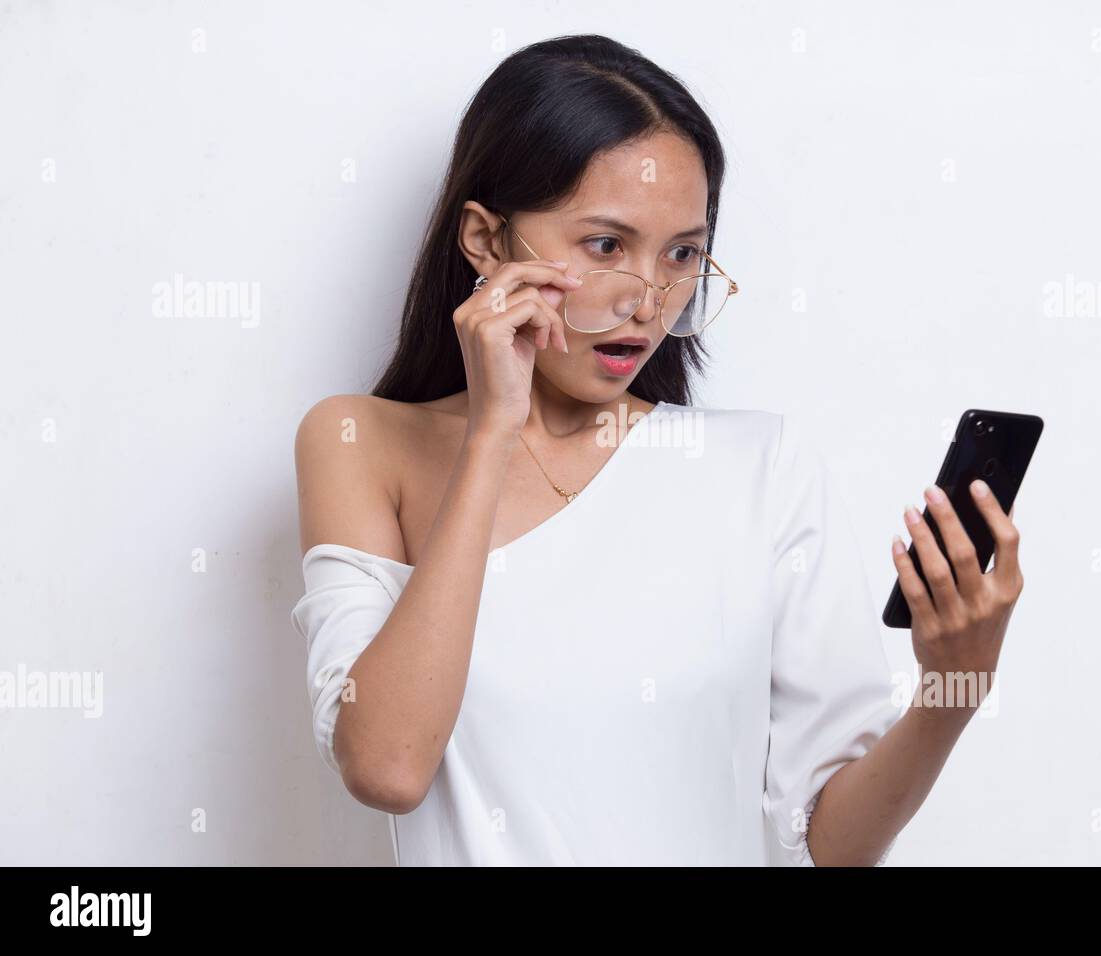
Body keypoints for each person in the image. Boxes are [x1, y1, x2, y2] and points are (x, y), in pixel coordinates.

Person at [290, 34, 1025, 866]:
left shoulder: (760, 469)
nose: (649, 299)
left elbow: (827, 843)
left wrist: (952, 690)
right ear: (487, 242)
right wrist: (495, 427)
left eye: (682, 253)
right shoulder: (361, 443)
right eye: (605, 246)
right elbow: (388, 765)